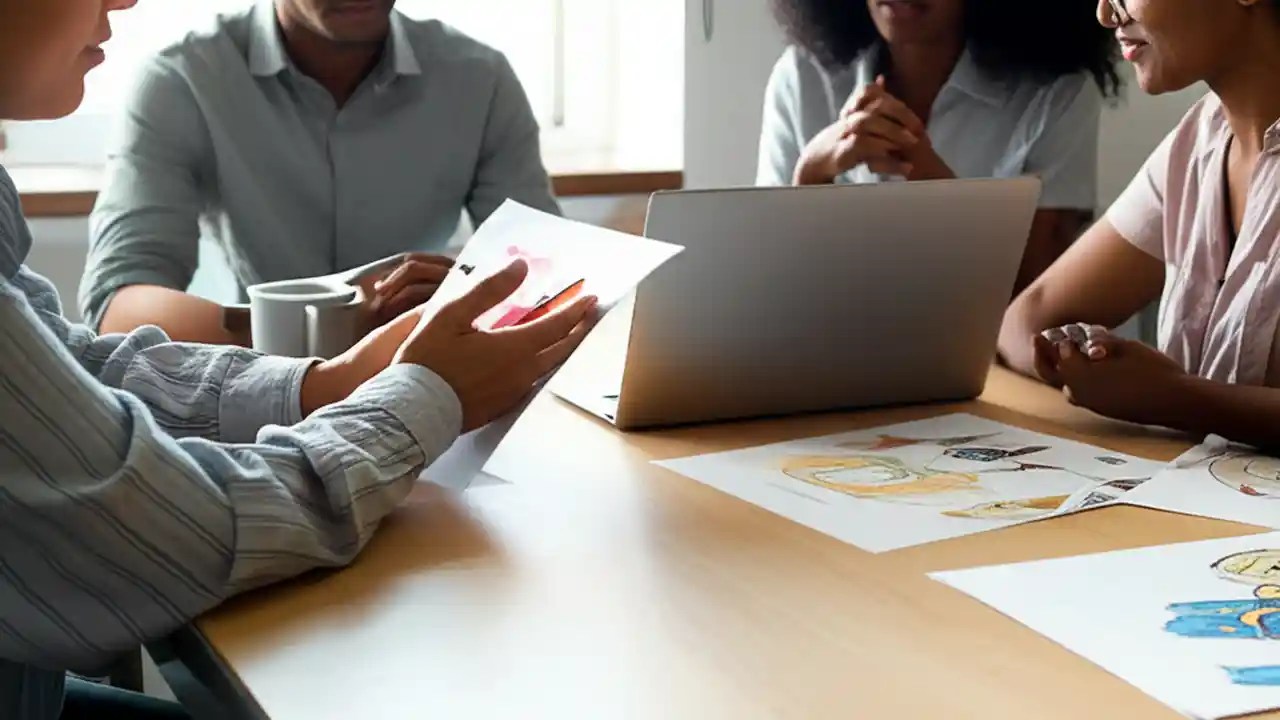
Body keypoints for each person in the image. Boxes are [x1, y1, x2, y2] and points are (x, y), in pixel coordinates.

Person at [0, 1, 597, 717]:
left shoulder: (479, 74)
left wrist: (333, 381)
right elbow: (175, 530)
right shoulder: (185, 74)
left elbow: (75, 363)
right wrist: (401, 378)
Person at [79, 0, 560, 344]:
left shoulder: (481, 77)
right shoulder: (182, 79)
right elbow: (117, 309)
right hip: (254, 389)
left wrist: (460, 293)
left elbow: (554, 274)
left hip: (427, 378)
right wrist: (333, 320)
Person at [999, 0, 1280, 449]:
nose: (1107, 14)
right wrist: (1081, 360)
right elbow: (1029, 317)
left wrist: (1173, 398)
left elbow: (1170, 401)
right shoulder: (1196, 142)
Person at [757, 0, 1121, 293]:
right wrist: (811, 173)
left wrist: (936, 184)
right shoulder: (801, 78)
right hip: (825, 362)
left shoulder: (1056, 95)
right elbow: (768, 286)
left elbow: (1035, 299)